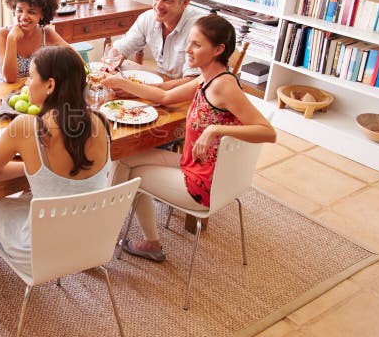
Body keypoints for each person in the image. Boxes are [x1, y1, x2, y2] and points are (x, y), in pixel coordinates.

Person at [101, 14, 275, 262]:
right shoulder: (207, 78)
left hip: (204, 182)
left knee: (132, 176)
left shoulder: (223, 86)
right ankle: (117, 234)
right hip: (197, 165)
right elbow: (164, 96)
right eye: (189, 42)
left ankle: (104, 239)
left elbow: (267, 131)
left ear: (218, 50)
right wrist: (122, 83)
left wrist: (214, 130)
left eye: (196, 44)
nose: (187, 49)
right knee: (123, 158)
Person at [0, 46, 112, 274]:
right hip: (90, 244)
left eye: (31, 77)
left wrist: (32, 167)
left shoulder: (26, 126)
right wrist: (35, 169)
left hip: (38, 253)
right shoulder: (102, 120)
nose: (27, 84)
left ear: (50, 85)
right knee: (36, 196)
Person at [106, 0, 204, 93]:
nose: (158, 6)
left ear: (185, 2)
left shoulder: (198, 29)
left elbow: (194, 82)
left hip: (189, 95)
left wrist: (138, 90)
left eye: (167, 0)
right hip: (162, 88)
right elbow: (120, 48)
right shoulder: (148, 18)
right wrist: (112, 60)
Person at [0, 0, 70, 83]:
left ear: (42, 14)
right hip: (5, 92)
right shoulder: (2, 35)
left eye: (31, 12)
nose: (23, 17)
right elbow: (10, 79)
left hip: (34, 91)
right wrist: (11, 39)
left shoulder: (46, 33)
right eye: (19, 10)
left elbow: (74, 58)